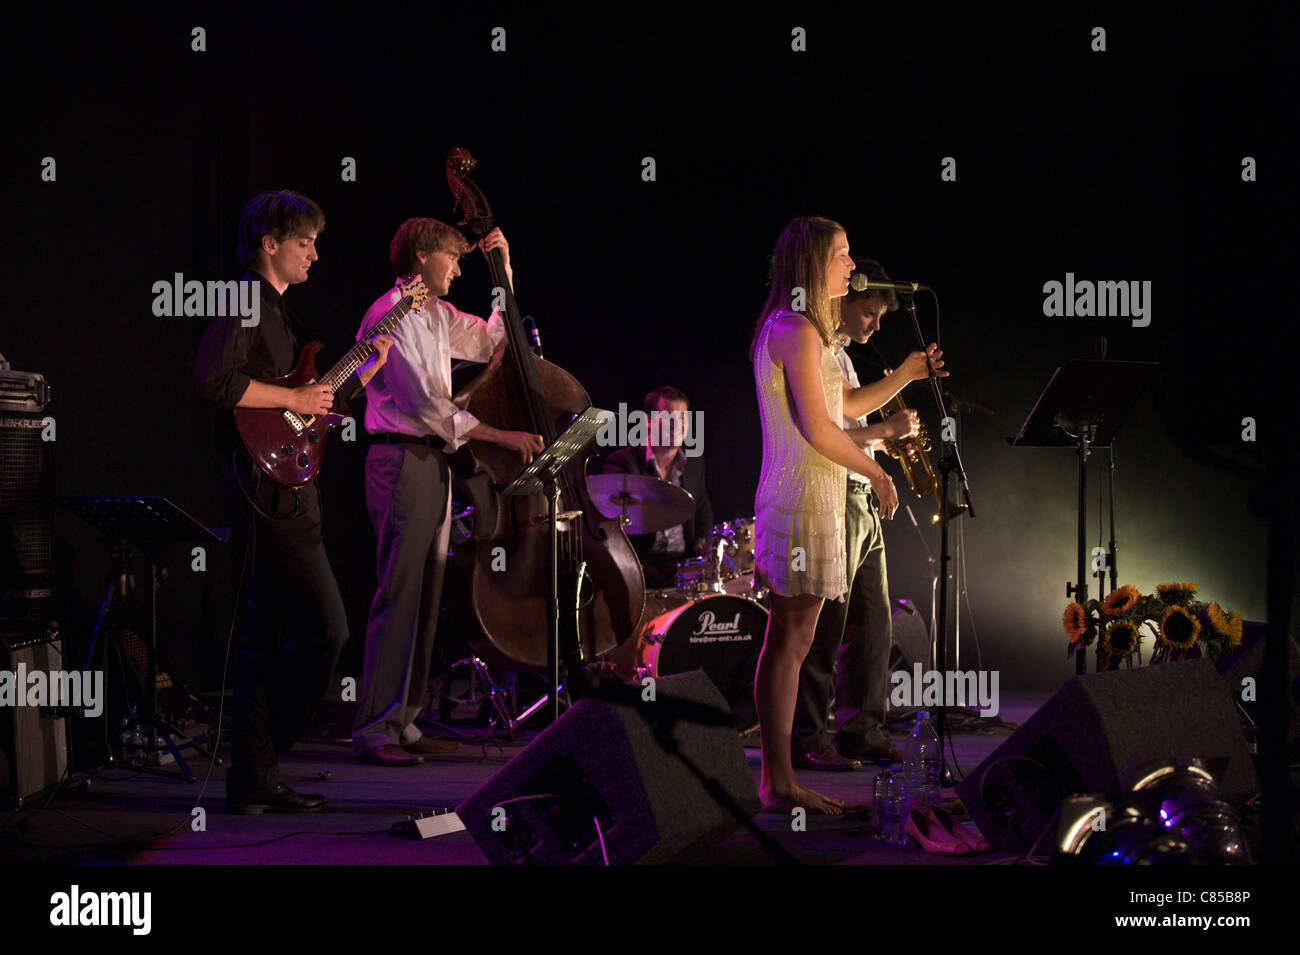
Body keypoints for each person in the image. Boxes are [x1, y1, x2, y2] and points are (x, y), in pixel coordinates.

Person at [195, 190, 394, 813]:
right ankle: (265, 758)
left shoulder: (283, 317)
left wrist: (360, 374)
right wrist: (303, 402)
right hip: (263, 489)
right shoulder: (242, 301)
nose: (315, 254)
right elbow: (214, 380)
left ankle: (253, 780)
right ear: (269, 244)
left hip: (286, 483)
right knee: (325, 629)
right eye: (304, 242)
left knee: (264, 632)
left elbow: (307, 407)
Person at [749, 217, 945, 813]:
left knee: (794, 638)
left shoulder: (807, 331)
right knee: (790, 640)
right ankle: (776, 781)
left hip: (816, 492)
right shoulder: (796, 330)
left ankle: (777, 779)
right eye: (841, 255)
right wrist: (878, 469)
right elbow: (818, 428)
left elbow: (846, 404)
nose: (850, 265)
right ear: (813, 262)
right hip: (801, 494)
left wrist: (904, 376)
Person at [351, 217, 543, 766]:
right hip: (401, 456)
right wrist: (500, 434)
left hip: (430, 461)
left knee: (426, 596)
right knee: (400, 593)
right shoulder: (393, 312)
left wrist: (502, 273)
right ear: (421, 256)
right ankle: (375, 728)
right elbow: (424, 408)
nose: (458, 268)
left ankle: (403, 720)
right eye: (451, 258)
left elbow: (489, 343)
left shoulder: (435, 312)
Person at [792, 257, 920, 770]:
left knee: (873, 623)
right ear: (842, 301)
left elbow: (849, 425)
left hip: (859, 495)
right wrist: (884, 433)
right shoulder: (814, 347)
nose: (875, 323)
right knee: (828, 622)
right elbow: (824, 435)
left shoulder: (841, 356)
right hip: (830, 496)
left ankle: (862, 730)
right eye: (869, 312)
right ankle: (808, 735)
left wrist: (884, 453)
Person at [601, 385, 714, 589]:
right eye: (669, 417)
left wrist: (702, 540)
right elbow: (609, 518)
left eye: (683, 418)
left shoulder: (695, 462)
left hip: (684, 564)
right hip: (641, 566)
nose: (677, 425)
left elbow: (702, 505)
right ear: (648, 421)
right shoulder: (623, 463)